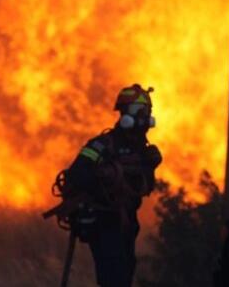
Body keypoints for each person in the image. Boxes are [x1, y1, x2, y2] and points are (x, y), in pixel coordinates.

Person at [60, 84, 162, 287]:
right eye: (137, 111)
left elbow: (144, 187)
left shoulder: (142, 151)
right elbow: (76, 174)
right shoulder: (102, 145)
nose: (143, 116)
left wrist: (148, 166)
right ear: (124, 114)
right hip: (104, 220)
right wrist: (105, 177)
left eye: (146, 111)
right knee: (114, 278)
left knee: (125, 274)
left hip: (128, 221)